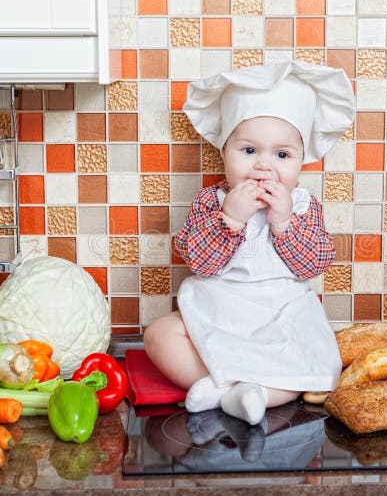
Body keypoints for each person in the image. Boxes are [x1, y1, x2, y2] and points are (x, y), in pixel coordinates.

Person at [143, 60, 355, 426]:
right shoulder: (211, 202)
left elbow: (314, 265)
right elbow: (200, 263)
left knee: (309, 363)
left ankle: (247, 393)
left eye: (282, 155)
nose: (264, 167)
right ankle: (227, 390)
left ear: (300, 162)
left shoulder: (303, 206)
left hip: (280, 315)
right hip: (219, 309)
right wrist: (231, 218)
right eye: (249, 151)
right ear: (224, 151)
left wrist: (284, 222)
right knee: (159, 334)